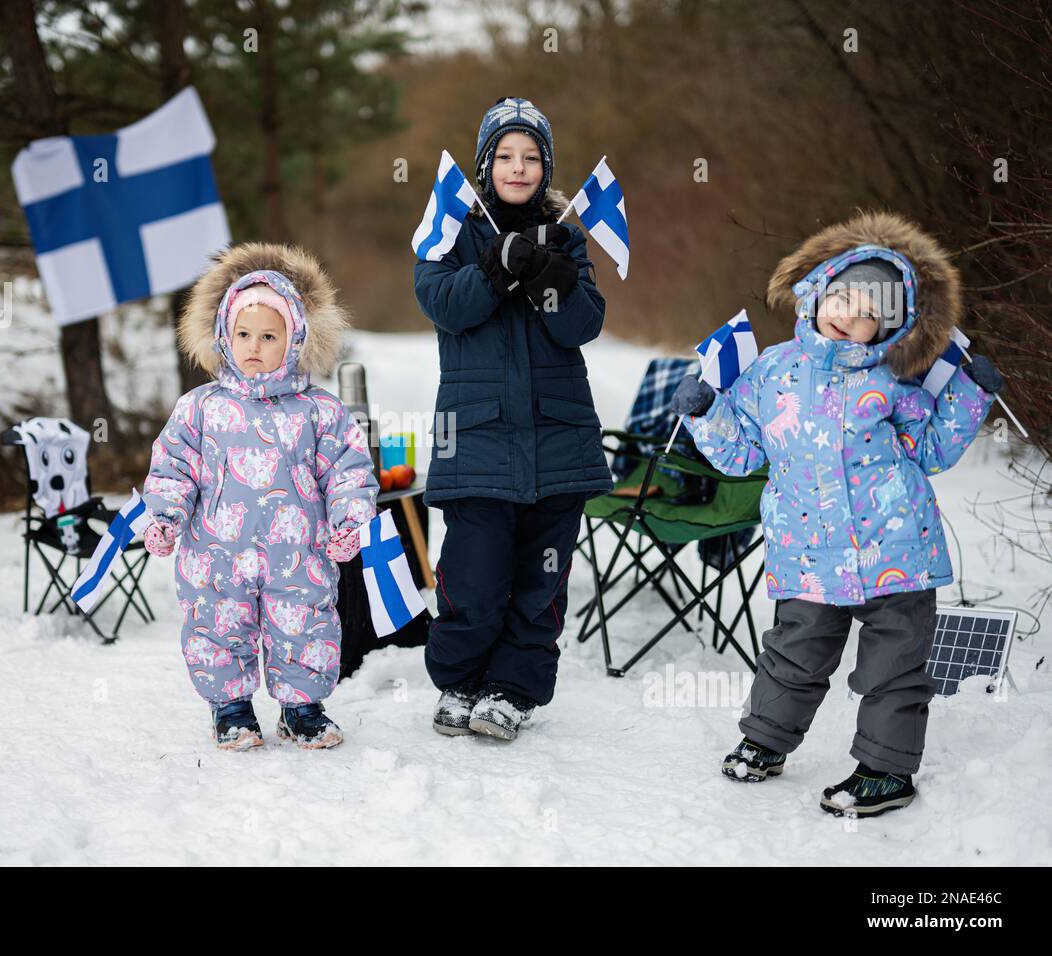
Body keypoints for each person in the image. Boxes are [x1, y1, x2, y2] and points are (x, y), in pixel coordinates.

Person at [672, 211, 1004, 816]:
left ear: (890, 324)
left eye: (867, 313)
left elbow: (930, 451)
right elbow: (744, 452)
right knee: (794, 653)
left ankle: (885, 771)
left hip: (897, 550)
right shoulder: (773, 371)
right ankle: (765, 741)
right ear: (818, 293)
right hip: (808, 551)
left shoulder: (901, 377)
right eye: (841, 299)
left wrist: (967, 395)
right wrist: (705, 415)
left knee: (895, 664)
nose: (847, 317)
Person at [413, 96, 613, 741]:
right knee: (472, 578)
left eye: (532, 157)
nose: (519, 167)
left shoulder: (567, 234)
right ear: (484, 164)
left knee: (540, 584)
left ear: (546, 167)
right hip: (475, 438)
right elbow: (443, 303)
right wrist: (497, 271)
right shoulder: (454, 228)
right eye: (505, 156)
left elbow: (582, 324)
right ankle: (459, 683)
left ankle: (513, 689)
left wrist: (552, 275)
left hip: (558, 439)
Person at [141, 243, 378, 751]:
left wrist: (348, 521)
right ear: (224, 338)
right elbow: (172, 468)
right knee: (217, 625)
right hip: (216, 557)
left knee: (305, 624)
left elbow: (349, 471)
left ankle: (302, 708)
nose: (255, 345)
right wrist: (163, 517)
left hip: (298, 555)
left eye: (269, 336)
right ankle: (230, 708)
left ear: (294, 341)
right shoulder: (200, 408)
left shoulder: (318, 411)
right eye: (243, 334)